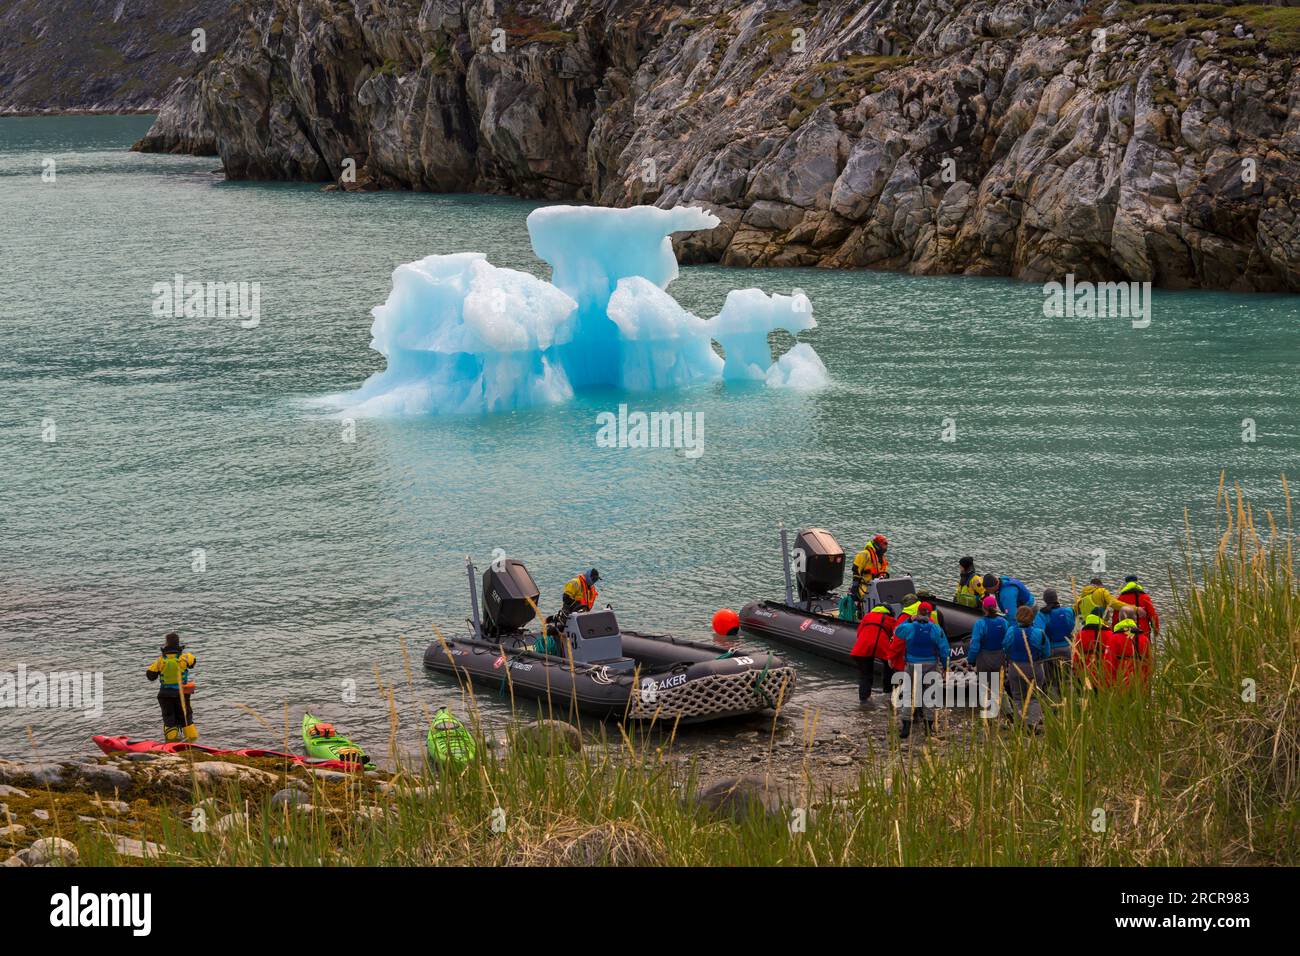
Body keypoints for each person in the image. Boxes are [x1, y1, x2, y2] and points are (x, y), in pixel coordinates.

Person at [893, 602, 950, 739]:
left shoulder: (910, 627)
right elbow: (944, 650)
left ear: (917, 613)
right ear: (930, 614)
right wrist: (945, 666)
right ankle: (928, 728)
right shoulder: (936, 629)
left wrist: (909, 619)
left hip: (912, 664)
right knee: (929, 696)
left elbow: (897, 631)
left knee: (908, 695)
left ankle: (906, 728)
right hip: (930, 664)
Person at [1002, 605, 1049, 730]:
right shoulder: (1039, 633)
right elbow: (1046, 653)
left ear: (1018, 617)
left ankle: (1018, 724)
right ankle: (1032, 725)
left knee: (1017, 697)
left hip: (1015, 667)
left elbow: (1005, 647)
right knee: (1034, 697)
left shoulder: (1011, 631)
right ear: (1032, 618)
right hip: (1034, 667)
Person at [145, 632, 197, 742]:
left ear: (166, 644)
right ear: (178, 643)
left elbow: (150, 676)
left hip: (165, 695)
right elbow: (193, 663)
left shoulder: (160, 661)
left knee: (169, 720)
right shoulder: (185, 658)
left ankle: (171, 743)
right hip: (182, 694)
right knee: (186, 719)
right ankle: (192, 743)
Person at [966, 595, 1008, 715]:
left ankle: (986, 711)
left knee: (984, 685)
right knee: (999, 686)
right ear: (995, 607)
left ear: (984, 608)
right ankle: (1006, 711)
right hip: (999, 656)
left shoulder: (980, 624)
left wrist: (971, 660)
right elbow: (1006, 641)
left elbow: (975, 644)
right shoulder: (1004, 622)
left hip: (984, 657)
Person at [850, 603, 896, 703]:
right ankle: (888, 692)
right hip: (882, 646)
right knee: (889, 668)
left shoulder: (867, 616)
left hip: (863, 646)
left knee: (865, 675)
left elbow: (859, 633)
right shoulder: (891, 620)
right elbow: (895, 637)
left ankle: (864, 700)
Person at [1034, 589, 1076, 690]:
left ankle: (1055, 703)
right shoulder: (1069, 611)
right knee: (1068, 679)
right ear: (1057, 598)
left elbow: (1039, 633)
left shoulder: (1042, 615)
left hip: (1051, 650)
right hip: (1067, 648)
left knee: (1051, 682)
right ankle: (1070, 702)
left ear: (1045, 600)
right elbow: (1072, 625)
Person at [1103, 614, 1152, 689]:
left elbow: (1109, 664)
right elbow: (1149, 664)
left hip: (1121, 683)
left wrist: (1108, 685)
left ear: (1119, 619)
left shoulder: (1114, 638)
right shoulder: (1144, 639)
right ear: (1135, 621)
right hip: (1141, 684)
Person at [1072, 608, 1111, 687]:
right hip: (1105, 676)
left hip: (1085, 674)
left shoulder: (1080, 634)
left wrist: (1076, 673)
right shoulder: (1110, 634)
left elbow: (1076, 657)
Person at [851, 535, 889, 600]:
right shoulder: (864, 554)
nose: (885, 547)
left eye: (886, 545)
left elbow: (885, 572)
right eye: (883, 545)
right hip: (866, 587)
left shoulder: (882, 558)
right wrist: (855, 584)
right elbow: (856, 569)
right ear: (877, 545)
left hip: (879, 586)